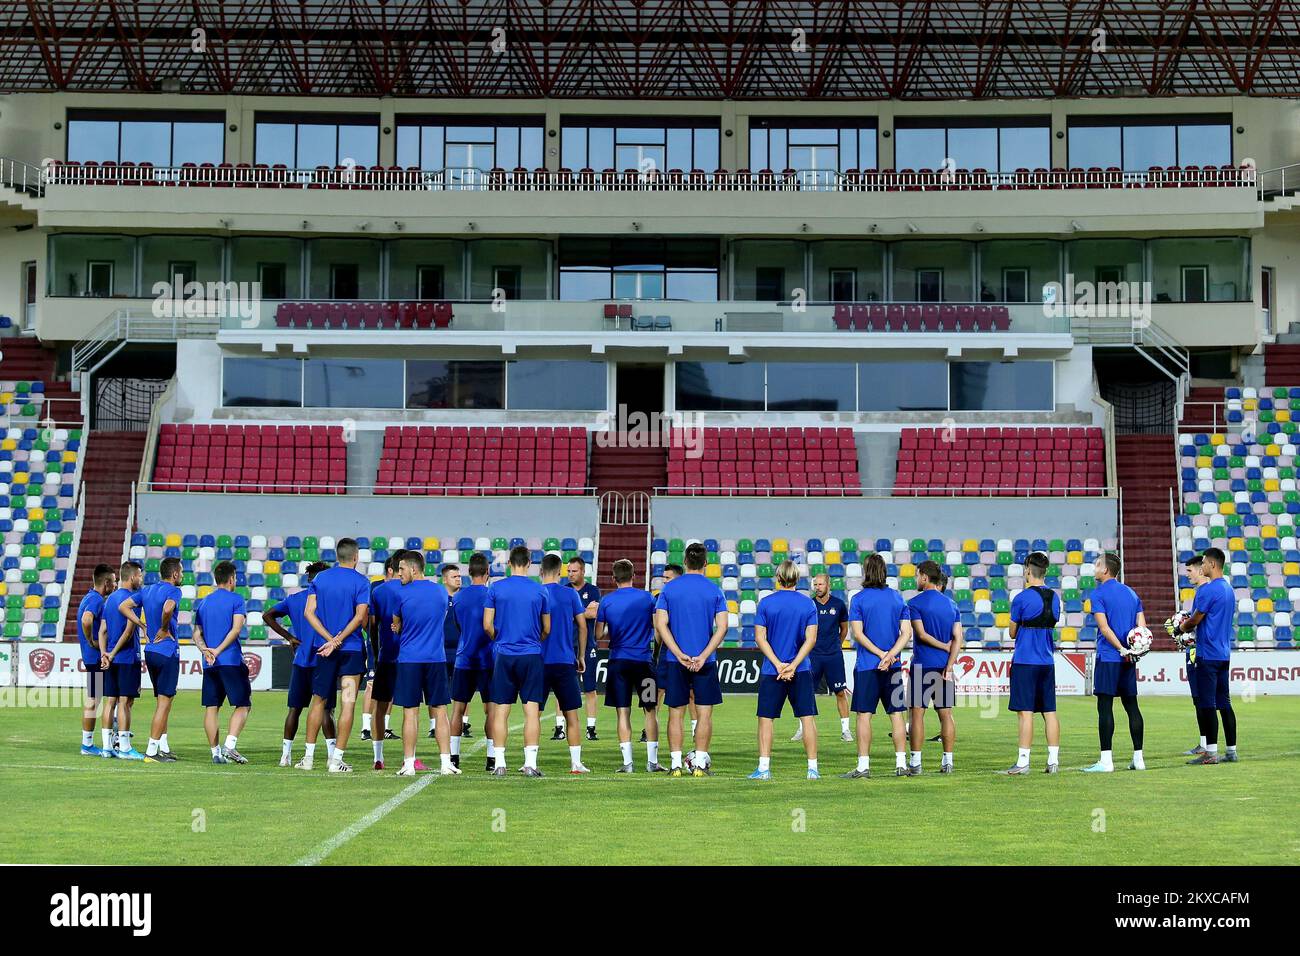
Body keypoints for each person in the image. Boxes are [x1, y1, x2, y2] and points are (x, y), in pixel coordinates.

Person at [655, 542, 727, 777]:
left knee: (675, 712)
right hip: (704, 662)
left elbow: (661, 625)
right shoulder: (715, 590)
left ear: (685, 562)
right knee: (704, 713)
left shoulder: (669, 590)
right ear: (706, 563)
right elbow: (723, 627)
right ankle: (699, 764)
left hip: (677, 661)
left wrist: (677, 653)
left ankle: (676, 764)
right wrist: (704, 655)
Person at [300, 538, 371, 773]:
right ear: (355, 557)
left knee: (318, 701)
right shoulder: (361, 581)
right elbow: (361, 617)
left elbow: (309, 613)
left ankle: (308, 758)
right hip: (350, 650)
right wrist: (338, 640)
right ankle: (336, 760)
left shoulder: (320, 578)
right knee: (348, 702)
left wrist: (329, 640)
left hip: (324, 649)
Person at [841, 554, 910, 779]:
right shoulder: (897, 598)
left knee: (864, 716)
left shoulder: (858, 599)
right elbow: (906, 633)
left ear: (866, 571)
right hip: (893, 666)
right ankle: (901, 764)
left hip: (867, 667)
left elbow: (858, 634)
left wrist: (881, 654)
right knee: (897, 715)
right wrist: (890, 656)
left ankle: (863, 766)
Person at [750, 560, 820, 780]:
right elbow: (811, 639)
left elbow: (760, 638)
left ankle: (763, 768)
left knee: (766, 718)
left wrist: (779, 664)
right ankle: (812, 769)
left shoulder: (766, 603)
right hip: (800, 669)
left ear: (778, 577)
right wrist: (794, 664)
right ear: (796, 578)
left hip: (773, 670)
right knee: (806, 718)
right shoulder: (808, 604)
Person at [485, 545, 551, 777]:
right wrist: (533, 640)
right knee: (531, 711)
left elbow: (486, 625)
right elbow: (547, 628)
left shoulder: (496, 588)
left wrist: (500, 639)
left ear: (509, 562)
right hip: (531, 654)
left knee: (501, 711)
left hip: (504, 655)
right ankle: (530, 764)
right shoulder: (540, 590)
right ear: (530, 563)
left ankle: (500, 764)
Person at [392, 552, 458, 776]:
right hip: (435, 658)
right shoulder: (440, 591)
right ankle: (446, 762)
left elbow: (396, 624)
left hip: (409, 659)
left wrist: (401, 627)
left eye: (401, 569)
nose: (398, 574)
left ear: (413, 569)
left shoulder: (400, 594)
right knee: (440, 710)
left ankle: (409, 763)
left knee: (410, 712)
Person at [265, 561, 335, 768]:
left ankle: (285, 755)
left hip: (301, 661)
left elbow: (267, 615)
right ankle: (332, 756)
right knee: (325, 710)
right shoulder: (328, 602)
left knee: (294, 709)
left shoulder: (295, 599)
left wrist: (290, 637)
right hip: (323, 660)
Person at [1175, 547, 1238, 765]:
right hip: (1224, 653)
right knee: (1225, 703)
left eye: (1203, 563)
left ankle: (1210, 753)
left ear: (1212, 565)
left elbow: (1195, 620)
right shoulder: (1229, 590)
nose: (1201, 567)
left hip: (1208, 653)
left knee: (1207, 704)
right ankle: (1231, 751)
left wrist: (1180, 628)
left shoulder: (1209, 590)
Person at [1084, 552, 1146, 773]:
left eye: (1097, 564)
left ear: (1106, 570)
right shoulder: (1131, 593)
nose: (1094, 568)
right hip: (1129, 659)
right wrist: (1134, 650)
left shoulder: (1098, 594)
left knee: (1105, 707)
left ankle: (1106, 761)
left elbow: (1104, 628)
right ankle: (1138, 759)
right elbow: (1141, 629)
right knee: (1132, 706)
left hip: (1110, 656)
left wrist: (1120, 649)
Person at [597, 559, 660, 772]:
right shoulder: (648, 598)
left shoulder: (606, 601)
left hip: (619, 662)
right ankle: (652, 762)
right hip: (644, 661)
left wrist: (610, 627)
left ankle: (628, 764)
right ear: (635, 576)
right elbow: (657, 629)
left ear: (613, 578)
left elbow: (599, 634)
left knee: (622, 712)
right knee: (650, 711)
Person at [1003, 551, 1062, 775]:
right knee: (1050, 711)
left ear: (1028, 570)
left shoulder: (1021, 598)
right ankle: (1053, 761)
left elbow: (1011, 632)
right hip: (1047, 660)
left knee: (1025, 712)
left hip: (1025, 661)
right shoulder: (1055, 598)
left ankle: (1023, 761)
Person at [906, 560, 963, 774]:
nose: (915, 579)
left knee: (917, 714)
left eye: (916, 575)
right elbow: (958, 639)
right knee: (945, 715)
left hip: (922, 665)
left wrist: (942, 646)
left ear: (924, 577)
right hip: (943, 667)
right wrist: (949, 664)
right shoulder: (952, 605)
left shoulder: (915, 604)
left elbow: (921, 635)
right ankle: (948, 761)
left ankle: (916, 763)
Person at [192, 560, 251, 765]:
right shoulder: (236, 599)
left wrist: (204, 649)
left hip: (209, 662)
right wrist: (218, 650)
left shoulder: (204, 602)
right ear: (232, 579)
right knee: (243, 704)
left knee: (211, 707)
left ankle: (215, 752)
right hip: (230, 660)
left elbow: (196, 633)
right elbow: (236, 629)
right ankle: (230, 746)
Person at [126, 557, 184, 762]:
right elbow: (168, 608)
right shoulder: (174, 591)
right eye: (182, 572)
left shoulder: (147, 590)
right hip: (167, 651)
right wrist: (165, 628)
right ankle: (151, 751)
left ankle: (163, 746)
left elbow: (124, 606)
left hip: (150, 651)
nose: (182, 575)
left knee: (162, 702)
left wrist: (141, 625)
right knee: (164, 703)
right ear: (175, 574)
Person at [540, 554, 590, 773]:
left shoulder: (535, 592)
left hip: (538, 660)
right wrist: (580, 655)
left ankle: (530, 762)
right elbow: (582, 626)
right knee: (571, 713)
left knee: (533, 713)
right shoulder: (570, 594)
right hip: (564, 660)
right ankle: (576, 763)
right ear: (560, 571)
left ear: (541, 571)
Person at [448, 552, 495, 771]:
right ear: (487, 572)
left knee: (458, 708)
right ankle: (492, 758)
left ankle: (453, 757)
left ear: (468, 572)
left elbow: (459, 626)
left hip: (464, 658)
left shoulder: (458, 598)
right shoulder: (492, 595)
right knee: (492, 710)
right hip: (488, 659)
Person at [792, 572, 851, 744]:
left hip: (833, 655)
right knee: (806, 692)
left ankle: (845, 730)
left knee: (840, 692)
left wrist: (836, 645)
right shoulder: (809, 605)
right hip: (813, 656)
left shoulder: (839, 605)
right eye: (815, 585)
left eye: (820, 584)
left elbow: (844, 629)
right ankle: (802, 729)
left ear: (828, 585)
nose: (817, 588)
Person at [100, 561, 145, 760]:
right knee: (125, 702)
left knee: (110, 702)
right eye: (140, 576)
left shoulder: (109, 600)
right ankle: (125, 747)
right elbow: (129, 631)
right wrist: (113, 653)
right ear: (133, 576)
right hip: (126, 658)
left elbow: (102, 630)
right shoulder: (131, 599)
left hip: (110, 657)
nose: (141, 579)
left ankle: (107, 747)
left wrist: (105, 653)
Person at [366, 552, 406, 770]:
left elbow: (372, 627)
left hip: (386, 655)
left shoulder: (379, 591)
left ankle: (378, 758)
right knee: (410, 709)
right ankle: (409, 758)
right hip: (410, 657)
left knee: (380, 707)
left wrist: (375, 652)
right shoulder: (413, 590)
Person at [75, 564, 116, 757]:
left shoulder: (88, 597)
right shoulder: (96, 600)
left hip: (92, 657)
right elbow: (86, 619)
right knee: (96, 699)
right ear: (106, 582)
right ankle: (88, 744)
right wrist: (91, 639)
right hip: (96, 657)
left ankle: (90, 742)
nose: (115, 585)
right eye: (114, 581)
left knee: (98, 698)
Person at [564, 556, 601, 742]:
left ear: (583, 571)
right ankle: (559, 727)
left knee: (590, 688)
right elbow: (586, 612)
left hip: (588, 646)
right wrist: (583, 612)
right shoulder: (564, 590)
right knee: (562, 687)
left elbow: (595, 612)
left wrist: (573, 613)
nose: (570, 574)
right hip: (566, 644)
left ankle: (591, 727)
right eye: (569, 571)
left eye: (574, 571)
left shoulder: (593, 590)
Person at [1178, 556, 1209, 755]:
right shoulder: (1201, 592)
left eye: (1189, 571)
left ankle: (1208, 745)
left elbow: (1196, 622)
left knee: (1203, 698)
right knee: (1199, 699)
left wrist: (1180, 629)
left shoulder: (1204, 592)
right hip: (1196, 649)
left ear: (1199, 570)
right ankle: (1205, 743)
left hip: (1201, 652)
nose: (1187, 574)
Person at [649, 563, 683, 741]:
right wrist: (656, 651)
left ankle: (694, 729)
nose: (664, 581)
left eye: (668, 578)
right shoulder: (659, 598)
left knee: (691, 693)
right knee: (658, 690)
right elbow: (657, 628)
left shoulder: (684, 597)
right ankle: (650, 728)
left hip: (684, 650)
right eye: (663, 578)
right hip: (665, 652)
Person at [439, 563, 470, 740]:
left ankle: (463, 722)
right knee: (440, 690)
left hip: (460, 650)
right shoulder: (438, 598)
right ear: (445, 579)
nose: (458, 579)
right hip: (441, 651)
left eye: (459, 576)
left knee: (461, 691)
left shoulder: (463, 599)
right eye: (454, 576)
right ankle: (436, 725)